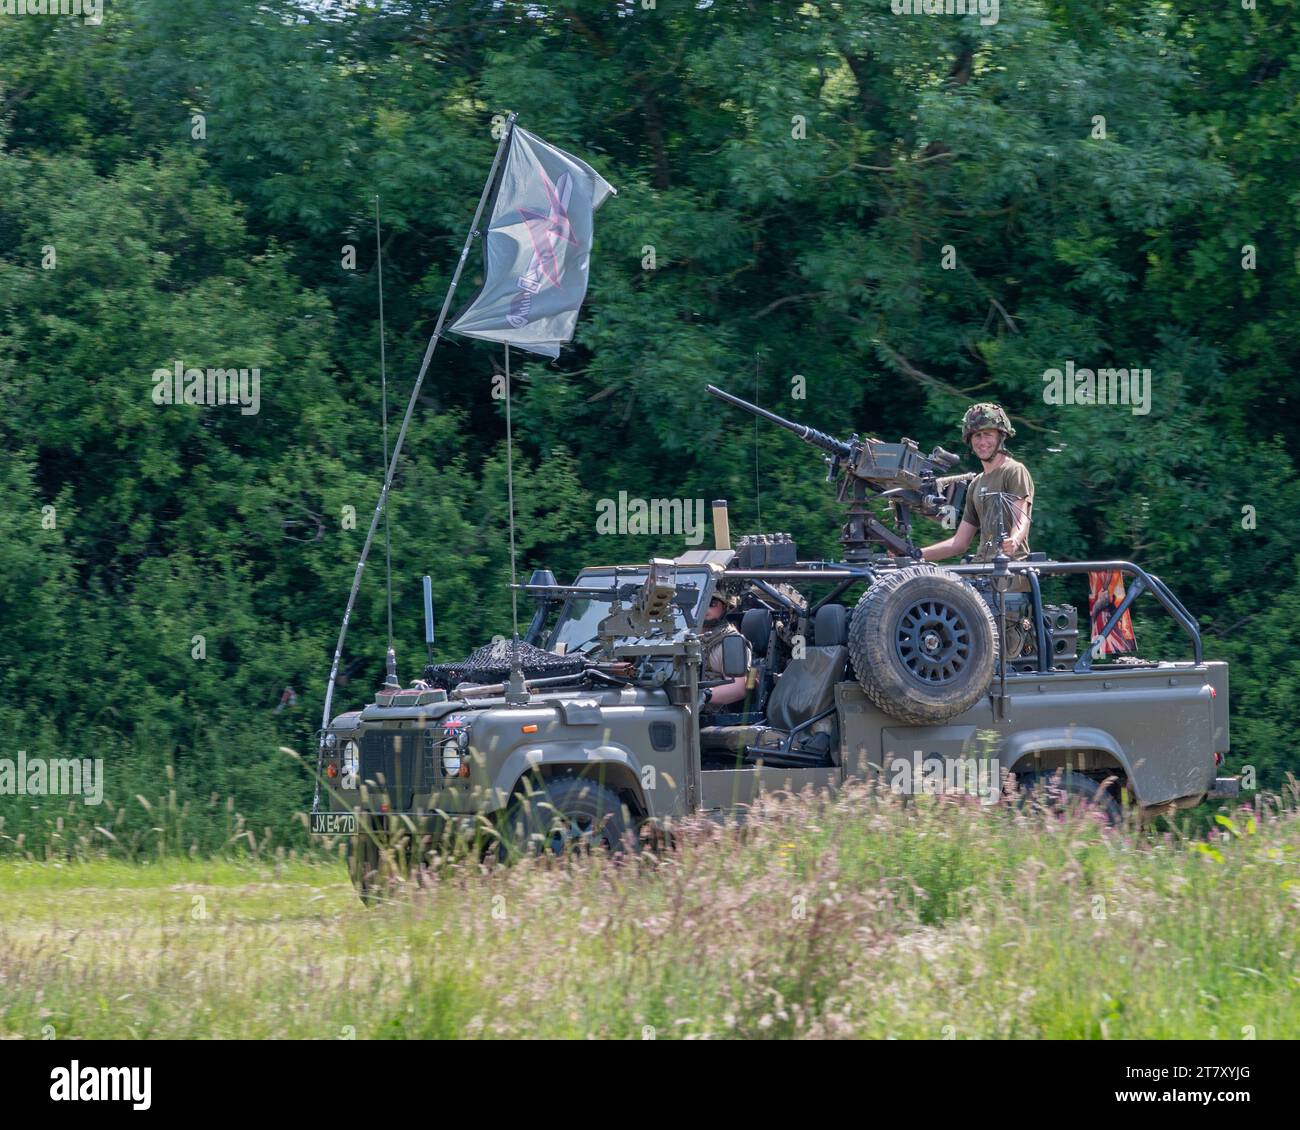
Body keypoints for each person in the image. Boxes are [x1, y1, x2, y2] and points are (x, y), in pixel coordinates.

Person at [920, 403, 1034, 591]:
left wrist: (1013, 540)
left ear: (1001, 436)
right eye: (976, 435)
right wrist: (917, 554)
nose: (982, 441)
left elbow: (1021, 518)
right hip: (980, 572)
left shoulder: (1014, 471)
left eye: (988, 434)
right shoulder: (976, 483)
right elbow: (960, 543)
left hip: (1008, 571)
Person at [698, 592, 752, 713]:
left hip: (710, 719)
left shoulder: (730, 643)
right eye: (699, 600)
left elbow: (738, 688)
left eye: (712, 603)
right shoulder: (678, 637)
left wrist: (702, 696)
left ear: (725, 607)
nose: (704, 606)